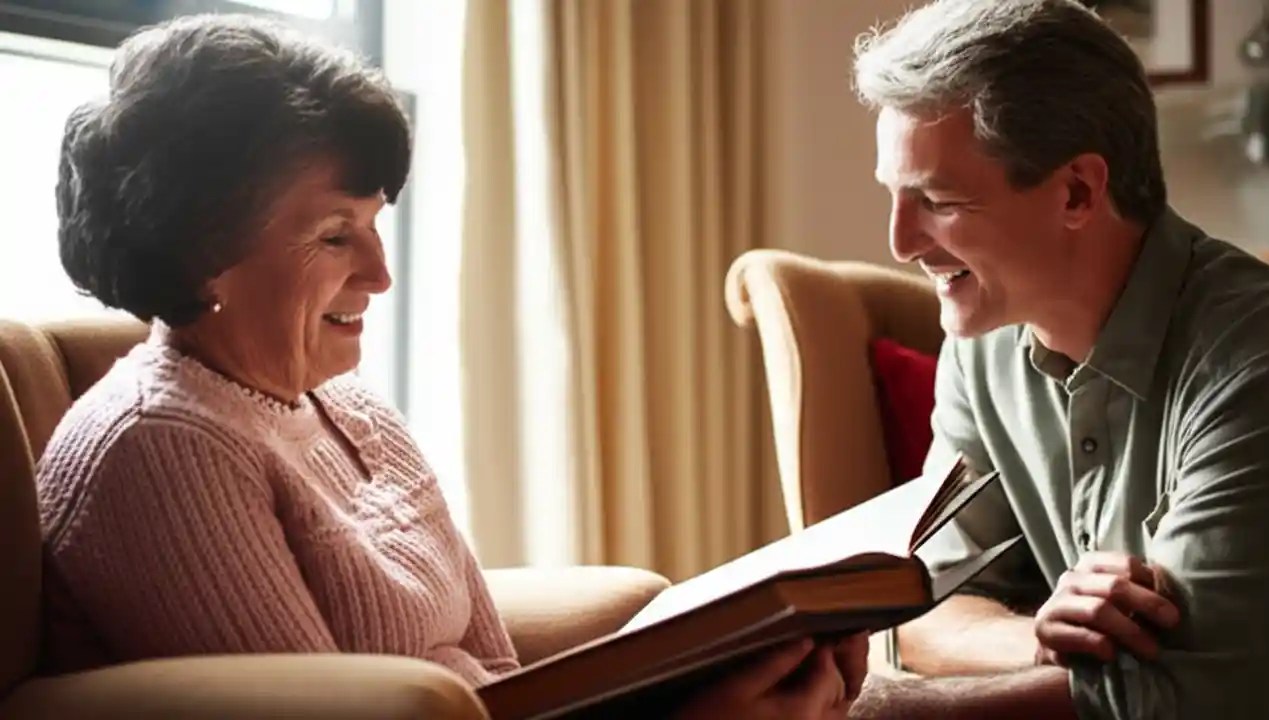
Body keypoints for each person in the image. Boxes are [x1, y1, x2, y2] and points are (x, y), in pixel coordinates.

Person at [35, 13, 867, 718]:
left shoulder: (345, 404)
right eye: (334, 236)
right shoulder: (160, 449)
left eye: (374, 224)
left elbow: (496, 675)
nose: (379, 274)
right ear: (198, 251)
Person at [846, 0, 1269, 718]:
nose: (900, 242)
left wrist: (874, 715)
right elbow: (918, 607)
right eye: (894, 195)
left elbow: (1198, 697)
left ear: (1077, 191)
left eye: (938, 200)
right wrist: (1040, 640)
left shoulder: (1254, 359)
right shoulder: (980, 346)